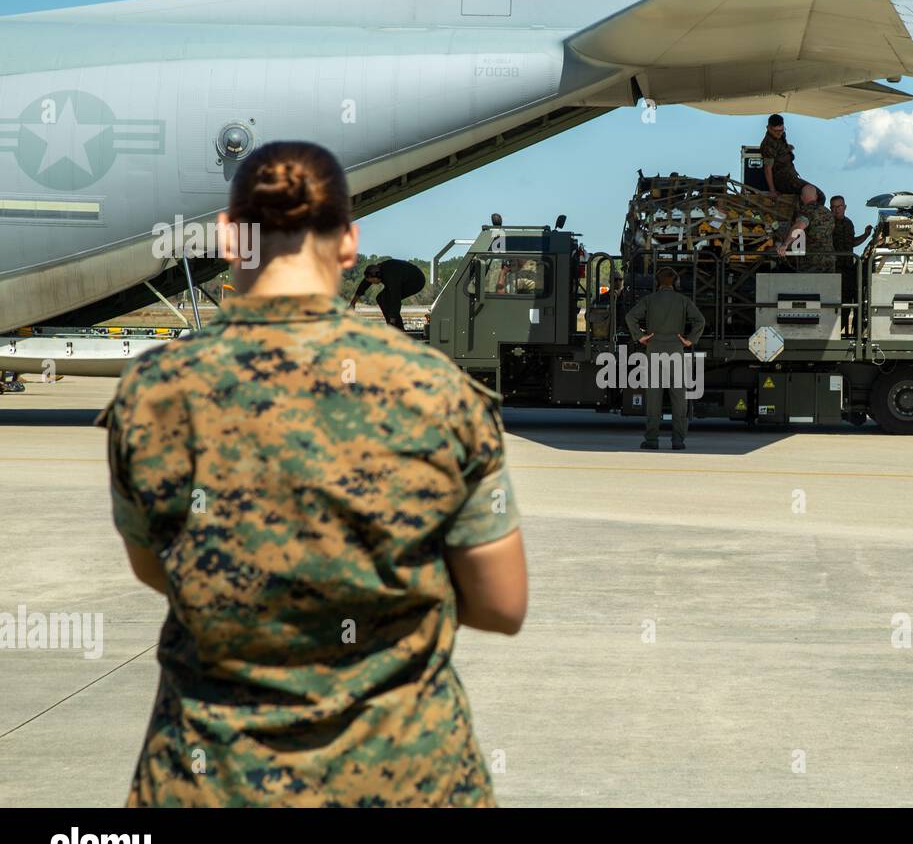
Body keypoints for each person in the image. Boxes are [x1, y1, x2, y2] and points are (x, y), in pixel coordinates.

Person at [97, 141, 527, 808]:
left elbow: (156, 566)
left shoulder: (156, 389)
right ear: (349, 243)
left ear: (228, 237)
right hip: (408, 779)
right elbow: (501, 604)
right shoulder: (433, 390)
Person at [625, 267, 706, 450]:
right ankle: (678, 441)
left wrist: (640, 336)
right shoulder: (683, 300)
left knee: (654, 398)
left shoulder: (649, 300)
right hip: (676, 351)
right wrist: (689, 340)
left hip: (654, 351)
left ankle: (652, 439)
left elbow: (630, 317)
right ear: (676, 283)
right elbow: (700, 321)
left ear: (657, 283)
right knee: (679, 398)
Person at [830, 195, 874, 332]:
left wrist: (866, 235)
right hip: (834, 270)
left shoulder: (849, 223)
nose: (837, 210)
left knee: (847, 303)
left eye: (839, 206)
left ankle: (842, 330)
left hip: (848, 269)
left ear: (845, 207)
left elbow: (852, 243)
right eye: (834, 207)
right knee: (834, 304)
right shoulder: (828, 224)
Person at [349, 258, 426, 329]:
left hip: (416, 281)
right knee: (380, 298)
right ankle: (393, 325)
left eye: (372, 281)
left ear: (376, 275)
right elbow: (363, 285)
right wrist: (353, 303)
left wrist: (392, 321)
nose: (372, 283)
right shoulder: (376, 271)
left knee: (388, 299)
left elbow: (395, 299)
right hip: (404, 279)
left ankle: (397, 328)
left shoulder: (391, 277)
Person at [776, 184, 836, 273]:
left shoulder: (806, 211)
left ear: (802, 197)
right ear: (816, 196)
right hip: (829, 259)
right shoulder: (828, 212)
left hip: (812, 260)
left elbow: (798, 227)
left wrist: (785, 245)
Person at [759, 114, 808, 196]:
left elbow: (779, 150)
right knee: (817, 195)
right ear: (768, 128)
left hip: (791, 176)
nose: (779, 133)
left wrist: (787, 148)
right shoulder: (768, 145)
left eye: (782, 130)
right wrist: (772, 190)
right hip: (783, 180)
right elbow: (768, 169)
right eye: (776, 131)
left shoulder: (780, 136)